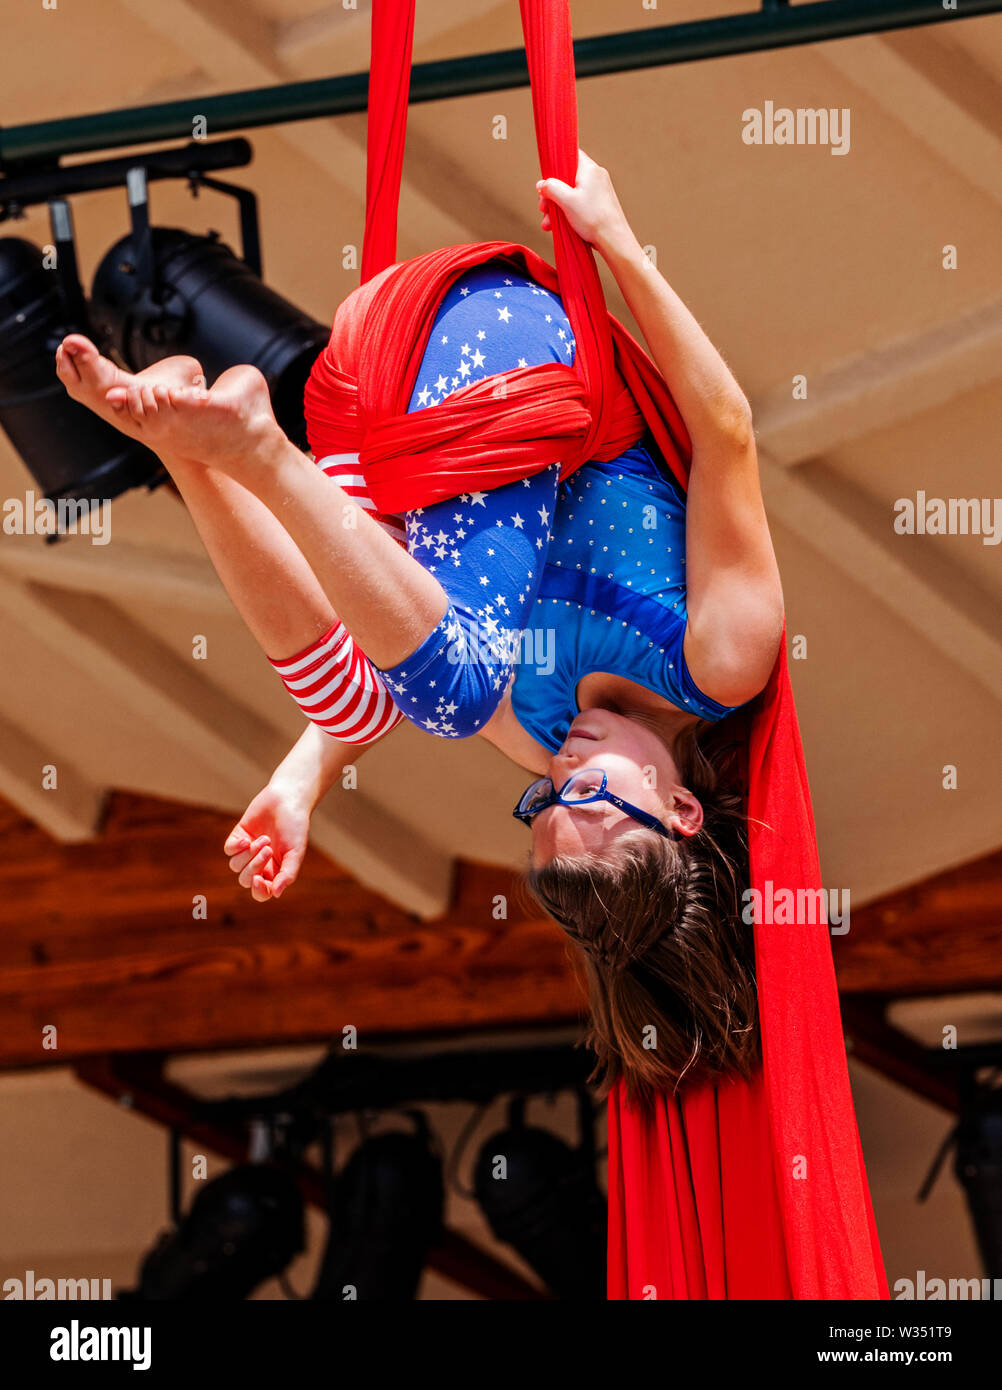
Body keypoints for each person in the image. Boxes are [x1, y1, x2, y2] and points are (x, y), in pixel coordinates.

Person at [55, 151, 783, 1108]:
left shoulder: (534, 733)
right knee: (445, 698)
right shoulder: (719, 661)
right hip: (513, 352)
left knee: (364, 699)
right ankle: (254, 453)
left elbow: (398, 634)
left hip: (377, 393)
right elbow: (725, 426)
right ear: (684, 814)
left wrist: (299, 780)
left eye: (541, 812)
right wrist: (614, 240)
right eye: (594, 804)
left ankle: (191, 455)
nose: (561, 775)